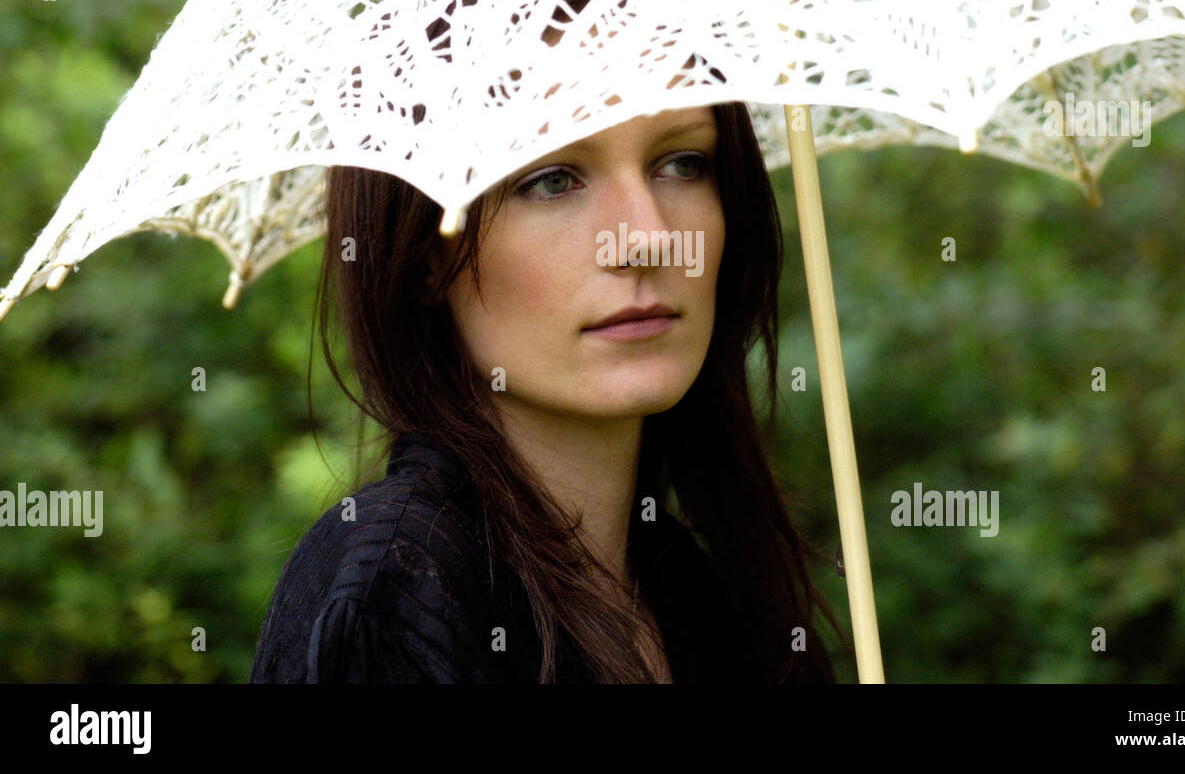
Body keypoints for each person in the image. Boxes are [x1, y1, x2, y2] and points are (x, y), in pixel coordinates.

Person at [249, 98, 848, 683]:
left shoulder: (714, 606)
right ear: (426, 255)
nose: (648, 238)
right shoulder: (397, 591)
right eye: (552, 179)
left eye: (682, 163)